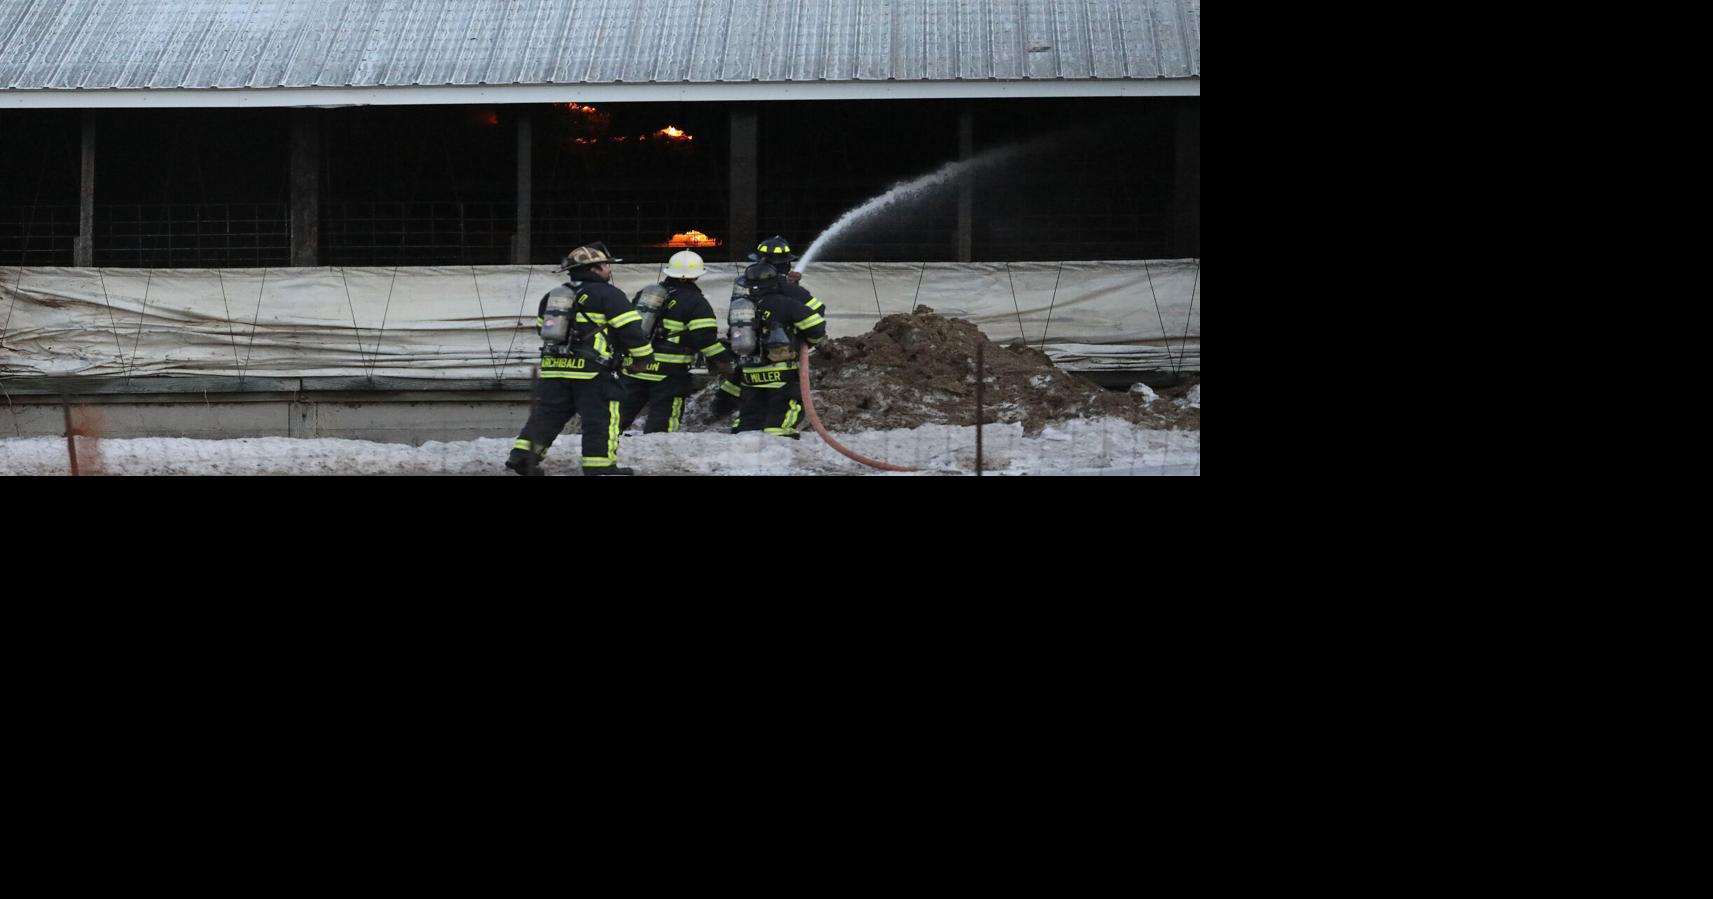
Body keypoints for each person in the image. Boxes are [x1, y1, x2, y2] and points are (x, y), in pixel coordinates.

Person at [505, 242, 655, 476]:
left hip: (555, 368)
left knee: (547, 415)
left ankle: (522, 457)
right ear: (594, 268)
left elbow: (542, 329)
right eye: (605, 265)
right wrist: (643, 358)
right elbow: (631, 331)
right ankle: (600, 467)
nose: (608, 269)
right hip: (593, 372)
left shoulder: (553, 296)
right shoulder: (609, 294)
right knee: (601, 419)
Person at [711, 236, 827, 429]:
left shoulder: (744, 292)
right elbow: (817, 318)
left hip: (749, 365)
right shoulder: (789, 294)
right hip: (781, 366)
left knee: (750, 413)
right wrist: (807, 341)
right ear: (785, 264)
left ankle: (722, 408)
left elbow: (734, 321)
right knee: (784, 411)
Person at [616, 250, 735, 433]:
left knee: (618, 415)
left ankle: (599, 442)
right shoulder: (696, 302)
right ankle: (658, 449)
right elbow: (705, 340)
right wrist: (724, 362)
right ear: (696, 276)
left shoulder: (646, 295)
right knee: (663, 421)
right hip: (670, 372)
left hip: (638, 366)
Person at [731, 260, 828, 439]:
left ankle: (744, 447)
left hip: (750, 374)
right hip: (781, 373)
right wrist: (808, 342)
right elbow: (816, 328)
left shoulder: (742, 307)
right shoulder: (785, 304)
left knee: (749, 419)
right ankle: (779, 447)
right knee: (781, 420)